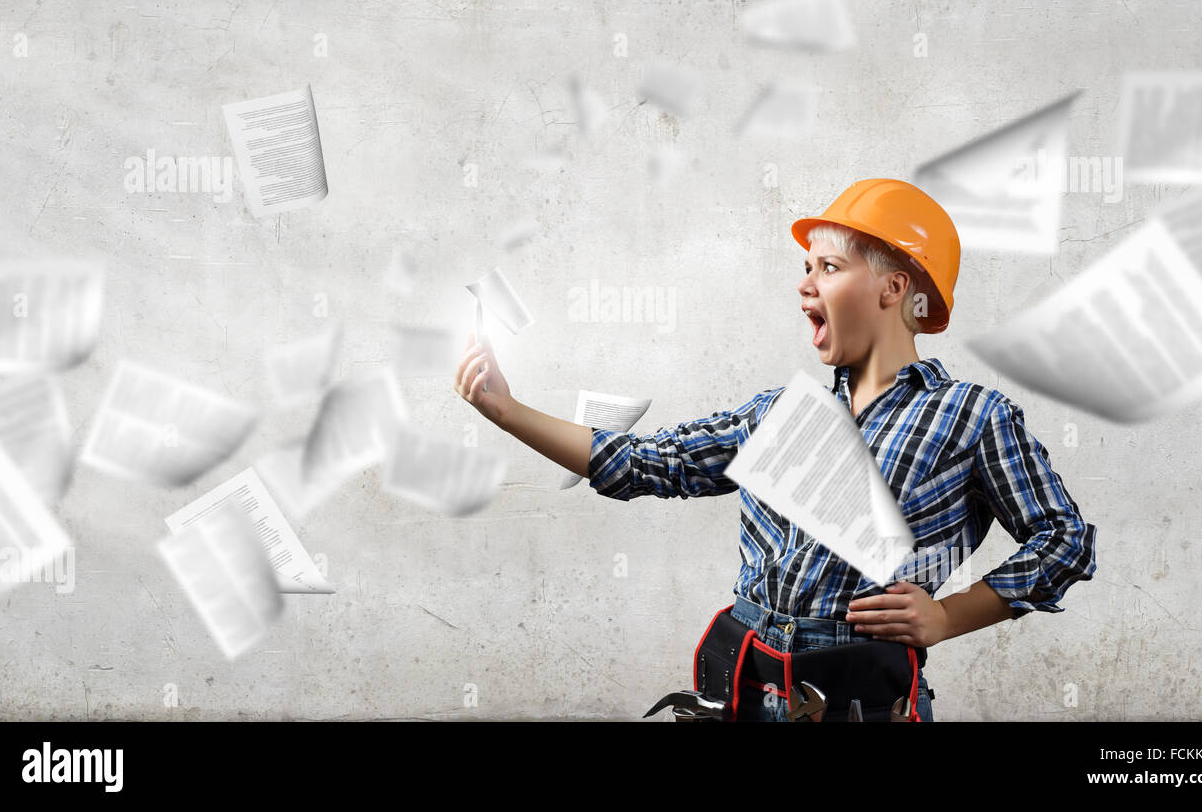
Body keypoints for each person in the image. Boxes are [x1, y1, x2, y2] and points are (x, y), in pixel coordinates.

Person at [454, 177, 1097, 722]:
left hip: (862, 695)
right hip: (744, 678)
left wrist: (946, 617)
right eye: (806, 268)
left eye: (829, 267)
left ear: (894, 288)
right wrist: (506, 411)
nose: (805, 284)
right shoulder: (781, 414)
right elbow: (648, 463)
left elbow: (1065, 541)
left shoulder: (971, 417)